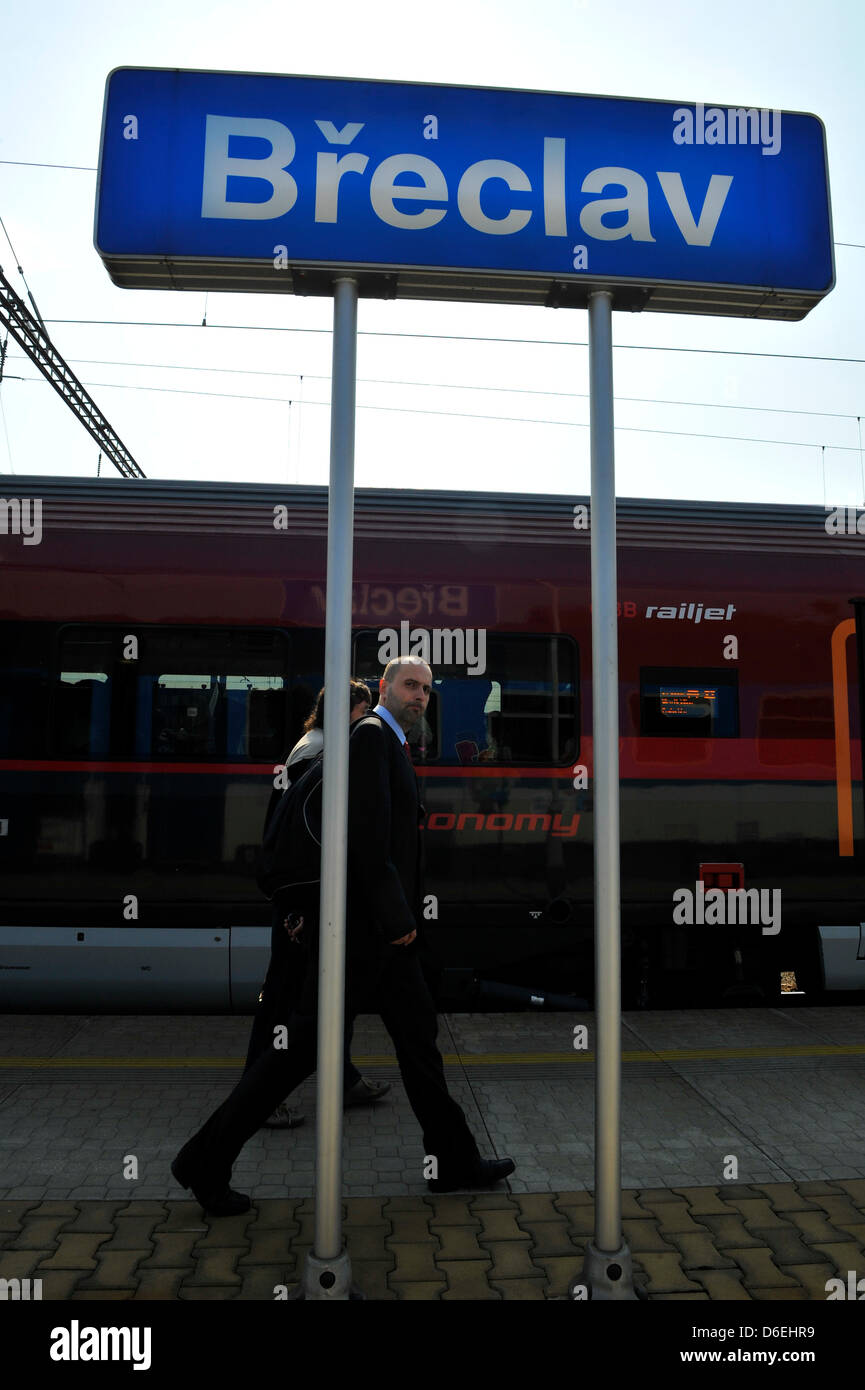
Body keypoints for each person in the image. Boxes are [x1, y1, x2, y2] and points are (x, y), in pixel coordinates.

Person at [171, 656, 515, 1215]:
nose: (420, 695)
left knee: (419, 1044)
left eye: (427, 689)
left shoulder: (384, 739)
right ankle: (204, 1159)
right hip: (368, 936)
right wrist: (398, 920)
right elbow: (368, 842)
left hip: (378, 935)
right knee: (300, 1052)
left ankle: (453, 1160)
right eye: (410, 685)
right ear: (384, 686)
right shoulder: (375, 737)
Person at [248, 680, 391, 1129]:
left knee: (326, 991)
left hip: (310, 893)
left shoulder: (319, 745)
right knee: (286, 995)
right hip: (302, 896)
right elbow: (304, 836)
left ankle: (341, 1080)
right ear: (345, 711)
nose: (367, 720)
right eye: (362, 711)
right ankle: (259, 1096)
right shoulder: (319, 753)